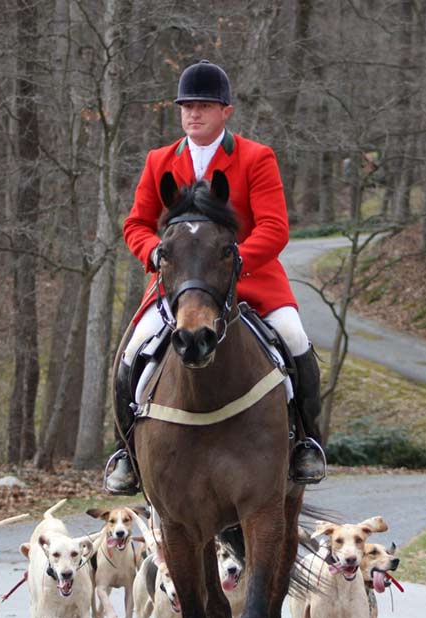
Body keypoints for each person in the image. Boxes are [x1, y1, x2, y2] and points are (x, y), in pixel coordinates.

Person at [103, 60, 325, 494]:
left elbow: (274, 228)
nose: (193, 114)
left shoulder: (256, 157)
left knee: (295, 340)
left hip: (249, 280)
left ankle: (307, 441)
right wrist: (155, 252)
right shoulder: (159, 161)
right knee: (131, 352)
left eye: (204, 105)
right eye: (187, 106)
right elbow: (136, 224)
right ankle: (125, 453)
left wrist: (236, 261)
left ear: (226, 110)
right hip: (180, 287)